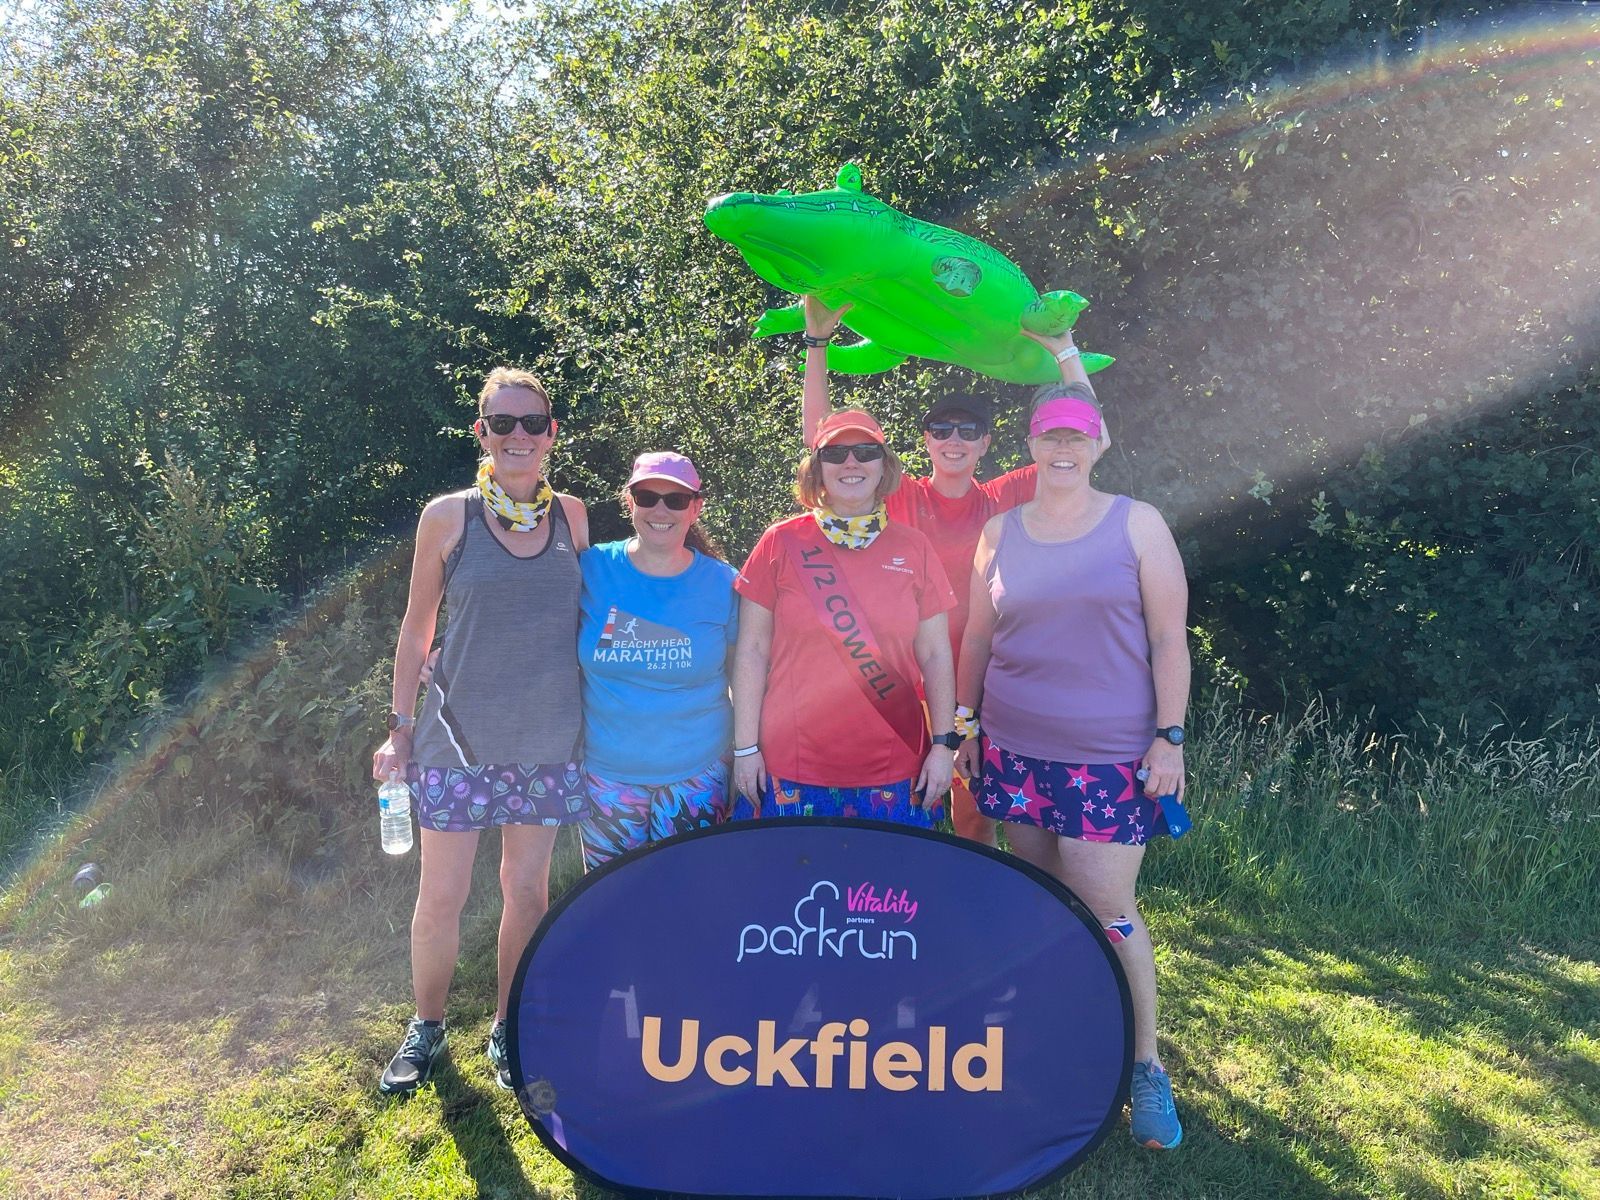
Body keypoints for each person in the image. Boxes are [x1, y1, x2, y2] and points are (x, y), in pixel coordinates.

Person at [953, 389, 1192, 1151]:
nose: (1062, 449)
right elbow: (975, 644)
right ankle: (1060, 1045)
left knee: (1110, 909)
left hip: (1110, 759)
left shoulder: (1137, 524)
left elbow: (1169, 638)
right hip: (1016, 755)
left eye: (1076, 437)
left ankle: (1146, 1066)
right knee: (1045, 905)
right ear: (1030, 445)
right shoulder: (998, 532)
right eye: (1050, 437)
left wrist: (1170, 737)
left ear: (1097, 445)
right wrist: (962, 727)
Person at [799, 295, 1102, 846]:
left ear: (986, 442)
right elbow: (822, 442)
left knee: (974, 814)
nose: (955, 440)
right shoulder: (900, 496)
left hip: (983, 685)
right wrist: (817, 346)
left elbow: (1085, 439)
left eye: (969, 430)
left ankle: (971, 914)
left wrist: (1064, 351)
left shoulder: (1006, 497)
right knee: (897, 805)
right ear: (926, 442)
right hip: (899, 683)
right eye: (942, 429)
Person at [370, 366, 590, 1096]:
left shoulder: (575, 519)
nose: (519, 436)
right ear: (481, 433)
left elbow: (590, 626)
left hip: (548, 741)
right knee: (442, 898)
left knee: (526, 892)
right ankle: (427, 1028)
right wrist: (399, 728)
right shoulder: (449, 516)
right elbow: (414, 630)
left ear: (553, 433)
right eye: (503, 423)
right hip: (455, 742)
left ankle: (506, 1026)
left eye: (533, 423)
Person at [730, 408, 958, 825]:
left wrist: (943, 746)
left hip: (895, 766)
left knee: (887, 890)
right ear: (817, 469)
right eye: (834, 453)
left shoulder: (915, 548)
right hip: (791, 767)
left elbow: (936, 655)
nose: (851, 462)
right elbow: (751, 651)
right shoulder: (780, 542)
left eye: (865, 451)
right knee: (788, 887)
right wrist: (745, 749)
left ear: (884, 465)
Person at [577, 451, 739, 868]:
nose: (660, 509)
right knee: (609, 903)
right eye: (647, 496)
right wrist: (446, 650)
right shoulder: (591, 568)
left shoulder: (725, 583)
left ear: (696, 508)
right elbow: (530, 625)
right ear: (629, 502)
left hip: (697, 773)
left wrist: (751, 754)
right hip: (607, 778)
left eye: (676, 500)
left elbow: (747, 674)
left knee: (689, 900)